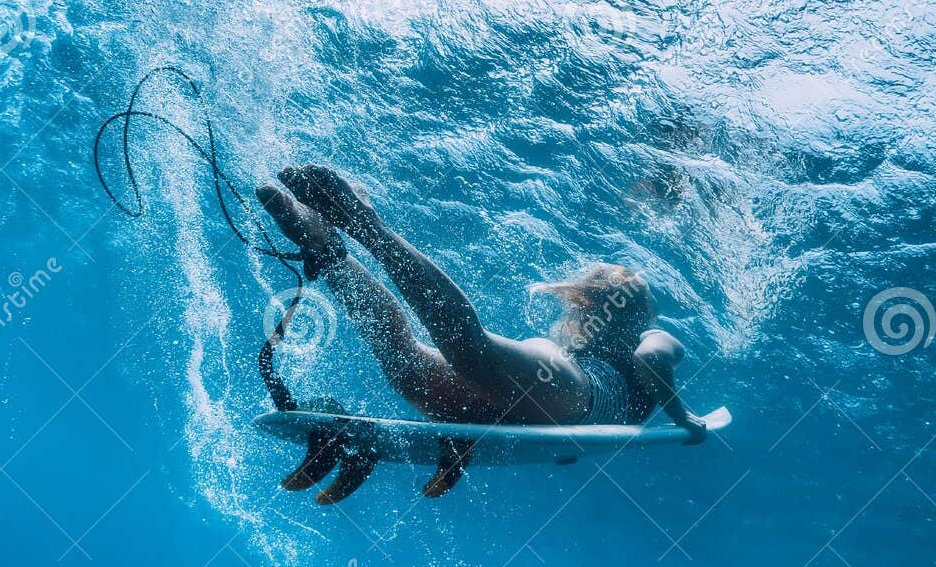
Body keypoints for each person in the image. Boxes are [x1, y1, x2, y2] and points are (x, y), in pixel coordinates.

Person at [255, 165, 708, 500]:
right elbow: (652, 361)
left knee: (405, 360)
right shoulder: (658, 337)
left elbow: (570, 441)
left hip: (545, 404)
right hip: (573, 392)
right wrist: (683, 419)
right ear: (643, 314)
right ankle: (368, 227)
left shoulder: (590, 344)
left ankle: (331, 254)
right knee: (466, 349)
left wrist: (572, 448)